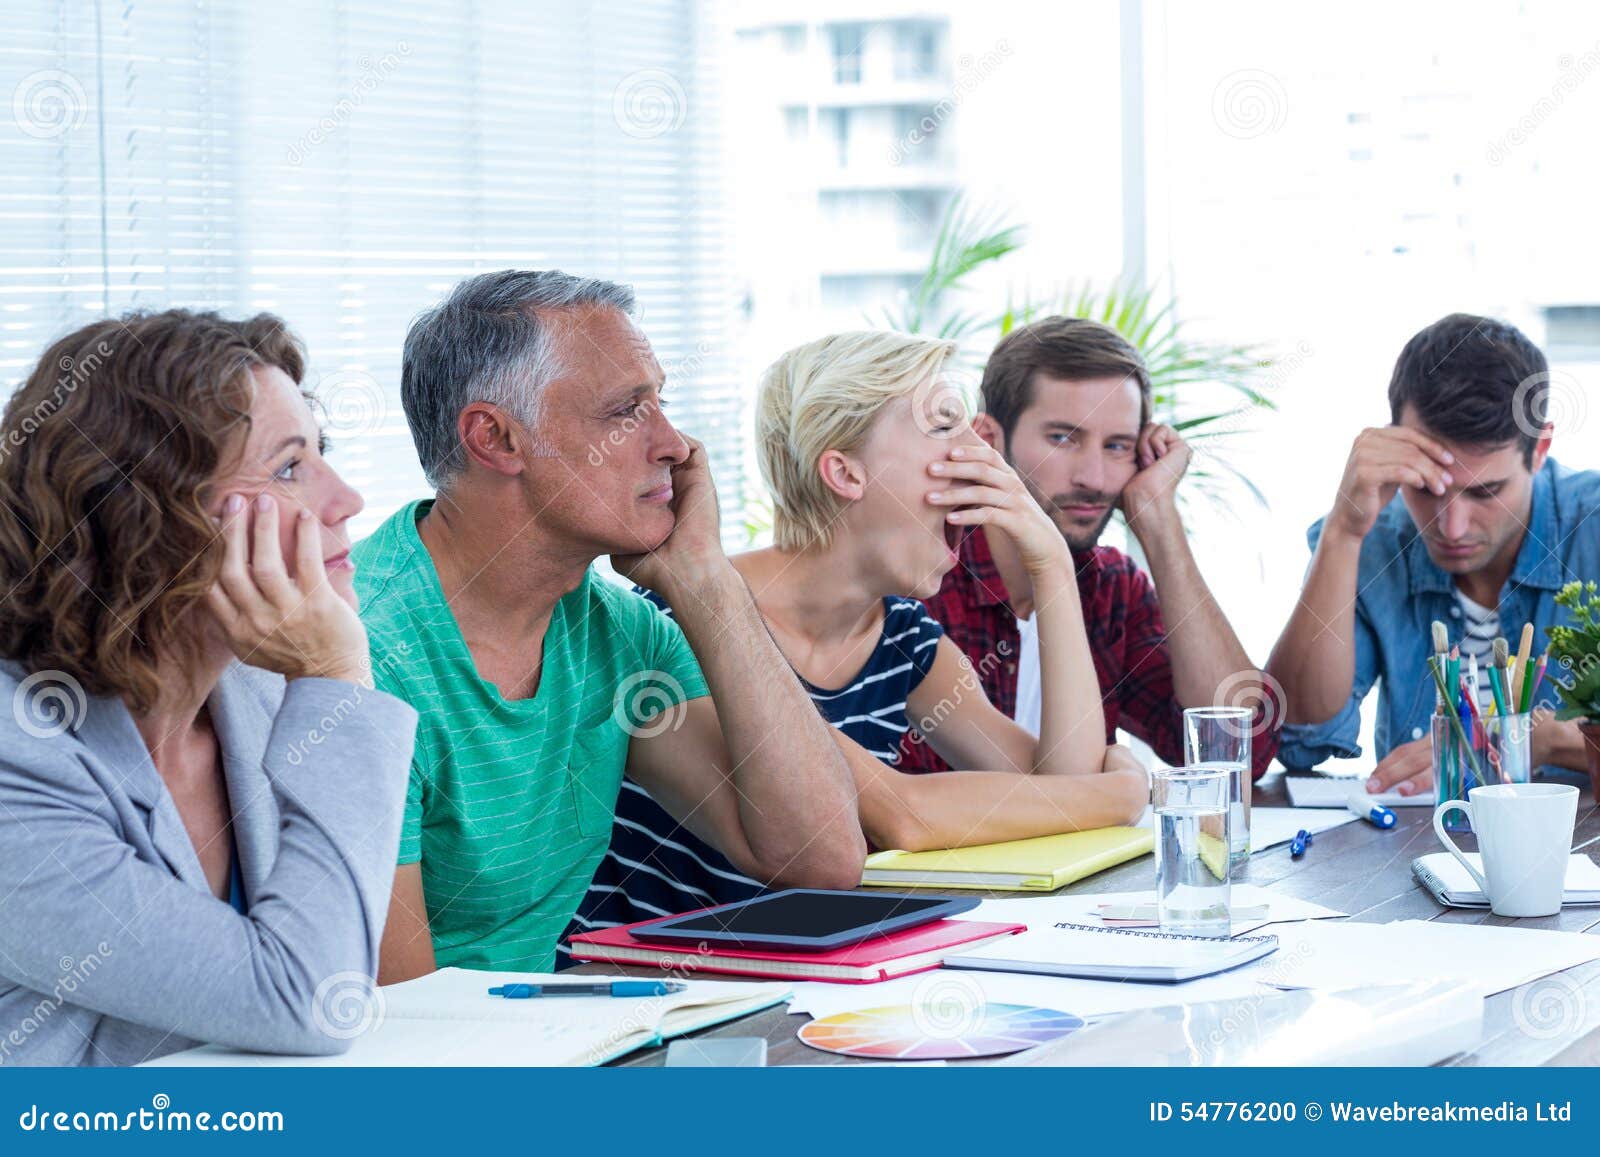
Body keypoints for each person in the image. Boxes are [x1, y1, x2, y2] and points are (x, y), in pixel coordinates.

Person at [355, 271, 865, 984]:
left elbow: (819, 856)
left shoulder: (618, 631)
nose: (676, 445)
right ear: (496, 437)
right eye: (627, 410)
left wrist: (707, 583)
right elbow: (402, 1025)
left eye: (661, 401)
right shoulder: (363, 656)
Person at [571, 330, 1149, 944]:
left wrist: (1052, 566)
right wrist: (1123, 793)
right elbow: (903, 815)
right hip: (639, 987)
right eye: (944, 426)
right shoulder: (691, 619)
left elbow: (1061, 792)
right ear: (845, 471)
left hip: (791, 975)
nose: (984, 458)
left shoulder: (902, 639)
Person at [0, 310, 417, 1066]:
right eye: (290, 467)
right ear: (147, 515)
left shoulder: (249, 694)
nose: (348, 499)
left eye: (324, 455)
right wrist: (337, 679)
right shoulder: (15, 757)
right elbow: (308, 999)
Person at [899, 316, 1279, 778]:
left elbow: (1238, 750)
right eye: (1063, 438)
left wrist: (1158, 521)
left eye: (1118, 446)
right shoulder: (917, 582)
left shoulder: (1111, 587)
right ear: (987, 441)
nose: (1094, 478)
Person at [1270, 313, 1600, 795]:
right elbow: (1298, 735)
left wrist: (1531, 739)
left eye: (1485, 492)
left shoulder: (1590, 526)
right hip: (1419, 850)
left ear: (1539, 448)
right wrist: (1342, 534)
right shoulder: (1370, 537)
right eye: (1425, 487)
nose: (1452, 526)